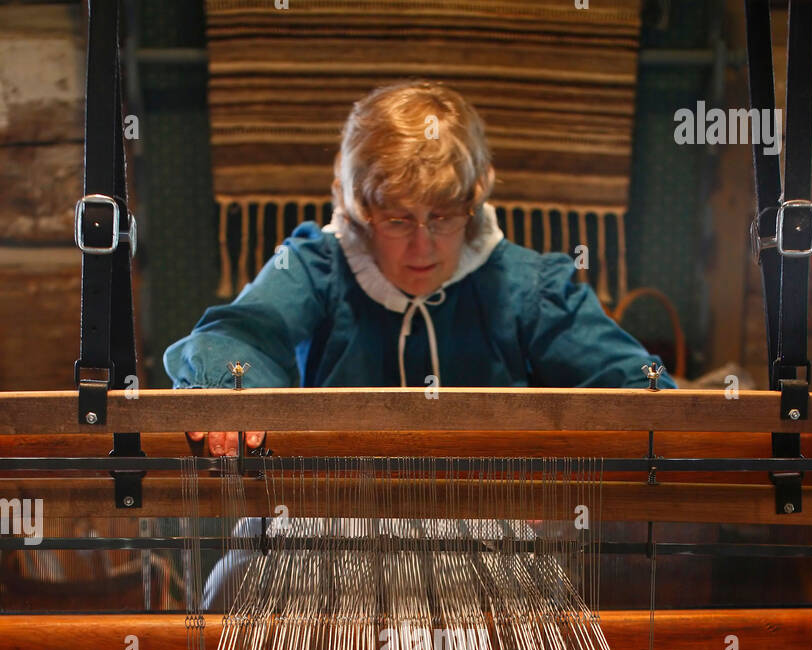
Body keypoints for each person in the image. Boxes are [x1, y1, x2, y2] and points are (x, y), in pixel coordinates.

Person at [166, 78, 675, 455]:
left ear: (474, 199)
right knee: (226, 588)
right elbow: (234, 340)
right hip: (330, 533)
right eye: (397, 220)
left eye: (444, 217)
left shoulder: (528, 287)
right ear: (360, 212)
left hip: (489, 535)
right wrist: (233, 396)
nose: (423, 247)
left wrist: (556, 460)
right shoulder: (316, 266)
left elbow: (637, 384)